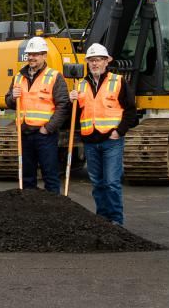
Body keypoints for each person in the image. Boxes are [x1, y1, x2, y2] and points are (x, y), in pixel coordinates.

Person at [69, 43, 136, 225]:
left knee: (112, 182)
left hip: (111, 140)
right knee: (97, 183)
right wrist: (71, 101)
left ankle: (116, 221)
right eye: (91, 60)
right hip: (90, 141)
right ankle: (102, 220)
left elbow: (131, 110)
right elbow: (74, 115)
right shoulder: (80, 85)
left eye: (98, 60)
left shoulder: (118, 81)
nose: (95, 63)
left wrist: (119, 131)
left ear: (107, 62)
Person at [5, 37, 70, 193]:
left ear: (44, 55)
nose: (32, 57)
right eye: (30, 54)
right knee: (27, 177)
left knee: (50, 175)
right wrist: (12, 97)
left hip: (45, 135)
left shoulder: (54, 76)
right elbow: (9, 102)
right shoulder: (19, 77)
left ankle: (52, 205)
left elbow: (63, 105)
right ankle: (30, 205)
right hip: (25, 133)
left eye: (36, 54)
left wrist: (48, 128)